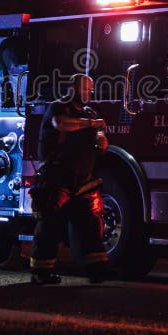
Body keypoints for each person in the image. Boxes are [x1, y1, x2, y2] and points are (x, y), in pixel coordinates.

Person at [29, 73, 110, 285]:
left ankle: (97, 270)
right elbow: (61, 124)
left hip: (84, 180)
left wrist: (101, 141)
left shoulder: (90, 113)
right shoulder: (59, 107)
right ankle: (41, 272)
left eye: (90, 90)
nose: (88, 93)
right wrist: (92, 123)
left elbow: (101, 140)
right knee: (50, 223)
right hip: (57, 177)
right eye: (85, 89)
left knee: (91, 225)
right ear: (73, 88)